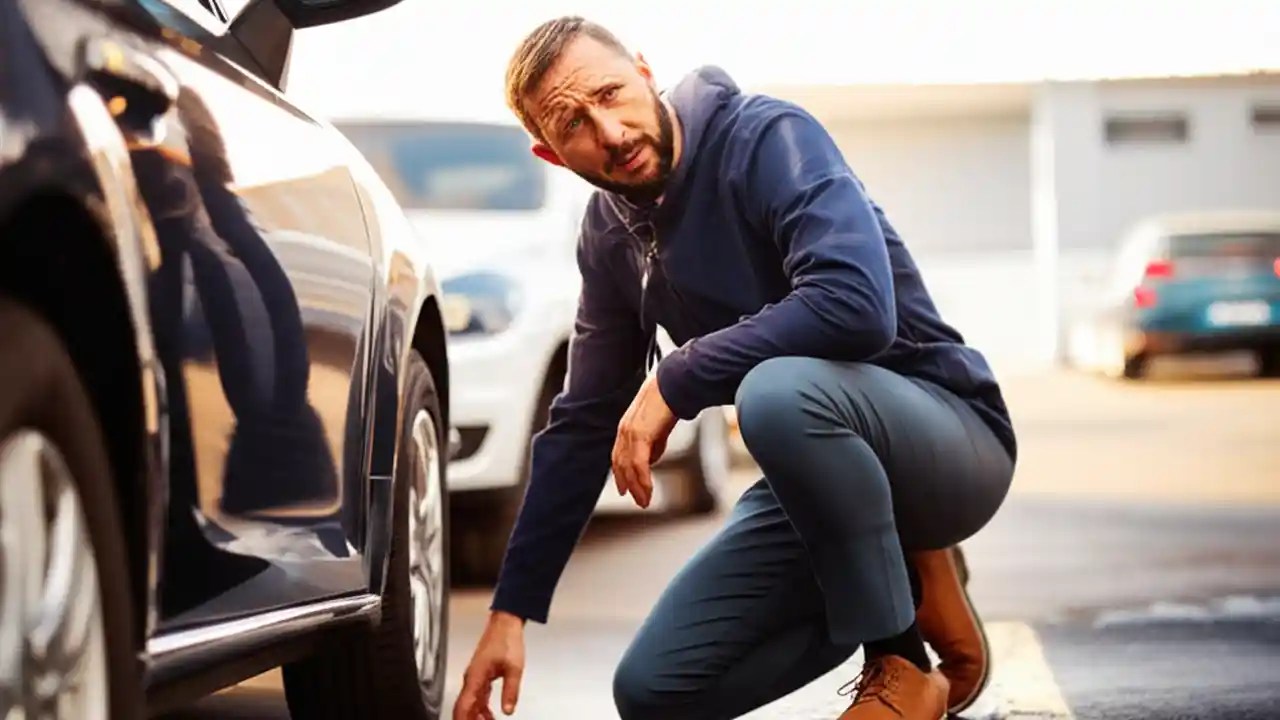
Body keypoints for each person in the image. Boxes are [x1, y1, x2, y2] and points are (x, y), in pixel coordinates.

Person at [454, 16, 1017, 720]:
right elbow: (582, 423)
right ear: (549, 152)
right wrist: (511, 613)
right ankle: (900, 570)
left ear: (644, 68)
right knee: (653, 693)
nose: (611, 131)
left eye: (611, 93)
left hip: (948, 434)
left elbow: (855, 305)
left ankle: (899, 660)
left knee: (775, 393)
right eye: (573, 122)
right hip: (815, 478)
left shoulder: (767, 138)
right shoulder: (607, 235)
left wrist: (677, 375)